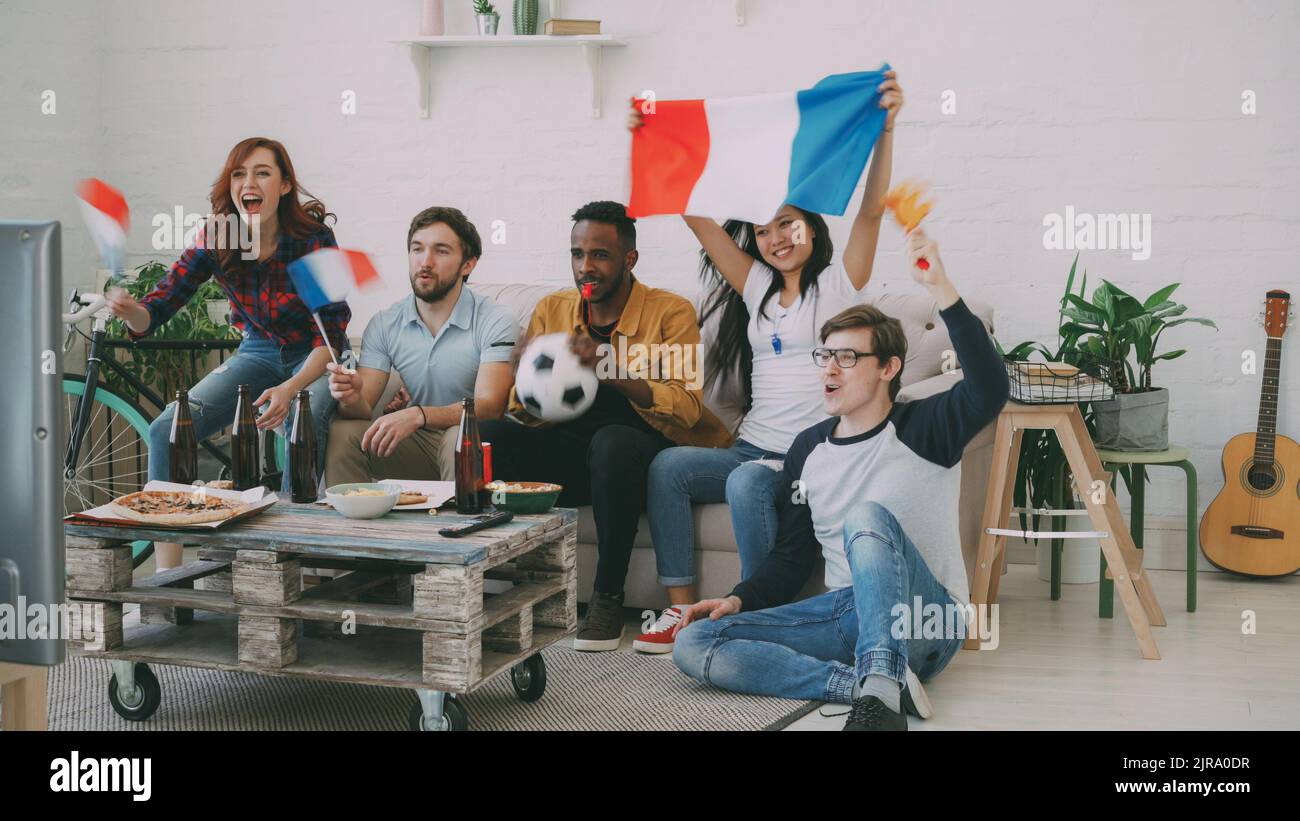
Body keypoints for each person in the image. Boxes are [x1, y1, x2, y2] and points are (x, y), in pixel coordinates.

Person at [671, 229, 1009, 730]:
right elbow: (790, 557)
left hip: (924, 618)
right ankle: (867, 687)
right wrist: (738, 599)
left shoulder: (924, 426)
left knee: (866, 518)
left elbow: (989, 388)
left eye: (847, 357)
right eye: (824, 355)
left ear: (888, 369)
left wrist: (942, 288)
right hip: (846, 617)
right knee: (696, 642)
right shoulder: (808, 449)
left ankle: (879, 704)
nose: (830, 367)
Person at [628, 71, 907, 653]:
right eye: (763, 231)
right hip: (751, 443)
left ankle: (768, 616)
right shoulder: (756, 288)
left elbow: (873, 212)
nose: (776, 238)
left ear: (809, 225)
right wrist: (652, 137)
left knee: (751, 482)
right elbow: (698, 219)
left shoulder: (835, 287)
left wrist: (884, 131)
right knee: (669, 467)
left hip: (800, 457)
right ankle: (683, 612)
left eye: (787, 223)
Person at [479, 201, 732, 652]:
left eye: (599, 255)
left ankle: (607, 598)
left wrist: (611, 368)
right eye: (577, 254)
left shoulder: (669, 313)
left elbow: (689, 408)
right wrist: (527, 374)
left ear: (629, 259)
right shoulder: (552, 309)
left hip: (638, 455)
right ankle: (496, 584)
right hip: (572, 457)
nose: (585, 267)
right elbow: (523, 410)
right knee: (490, 436)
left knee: (612, 443)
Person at [107, 137, 349, 571]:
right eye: (239, 174)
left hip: (314, 357)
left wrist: (291, 388)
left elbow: (329, 335)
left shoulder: (313, 239)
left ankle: (289, 561)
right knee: (167, 430)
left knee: (301, 422)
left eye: (262, 172)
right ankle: (170, 574)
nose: (248, 183)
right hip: (257, 351)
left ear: (286, 185)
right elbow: (159, 306)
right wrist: (132, 311)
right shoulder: (220, 236)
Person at [324, 207, 517, 484]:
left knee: (459, 435)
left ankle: (460, 526)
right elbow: (363, 407)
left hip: (476, 441)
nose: (425, 262)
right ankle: (354, 523)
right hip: (418, 442)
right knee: (345, 432)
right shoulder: (385, 323)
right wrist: (351, 395)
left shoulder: (496, 319)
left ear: (468, 264)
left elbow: (489, 407)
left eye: (441, 251)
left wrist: (418, 414)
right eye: (417, 249)